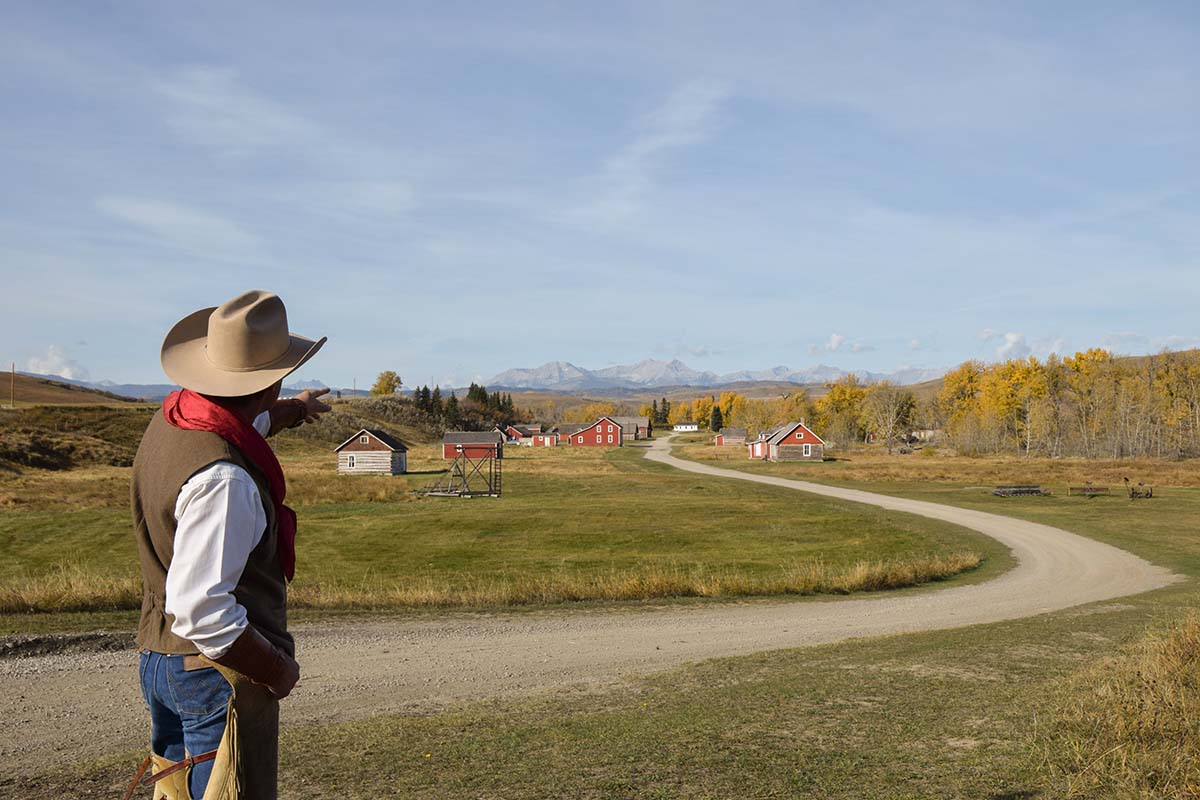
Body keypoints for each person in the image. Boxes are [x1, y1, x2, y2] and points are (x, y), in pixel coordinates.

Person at [130, 290, 329, 798]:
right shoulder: (225, 480)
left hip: (163, 655)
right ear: (271, 380)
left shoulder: (176, 415)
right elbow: (202, 611)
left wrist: (289, 412)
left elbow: (239, 425)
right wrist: (275, 668)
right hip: (213, 672)